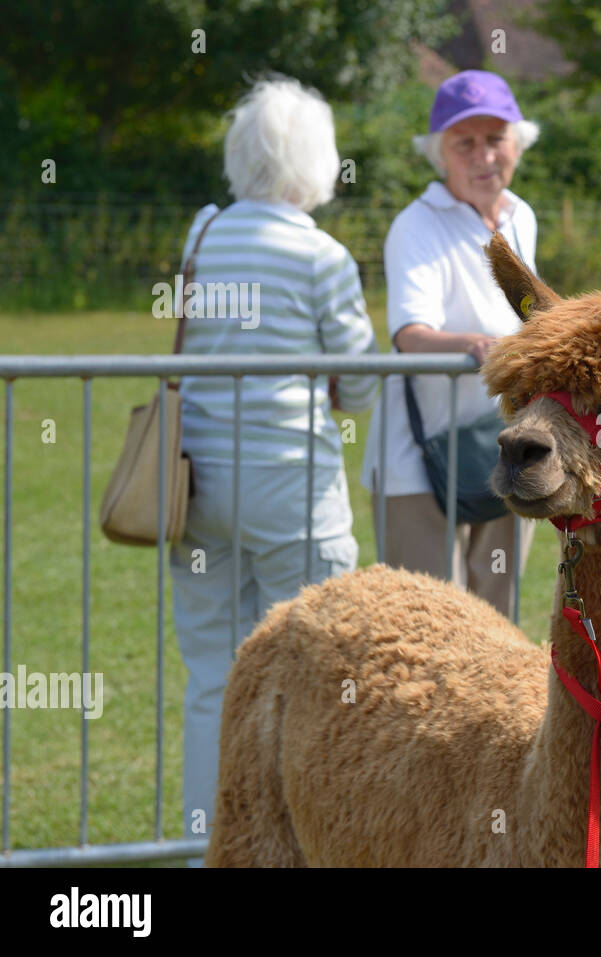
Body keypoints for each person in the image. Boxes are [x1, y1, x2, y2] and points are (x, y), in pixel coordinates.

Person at [169, 76, 378, 856]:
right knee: (314, 679)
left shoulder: (203, 236)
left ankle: (208, 846)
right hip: (292, 490)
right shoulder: (323, 255)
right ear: (316, 163)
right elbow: (359, 383)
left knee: (211, 679)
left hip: (196, 487)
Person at [361, 70, 539, 618]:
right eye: (465, 143)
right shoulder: (416, 225)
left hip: (507, 444)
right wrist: (480, 346)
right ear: (441, 154)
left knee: (497, 618)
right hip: (418, 456)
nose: (484, 155)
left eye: (495, 139)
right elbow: (411, 335)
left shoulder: (520, 216)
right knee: (428, 627)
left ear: (518, 144)